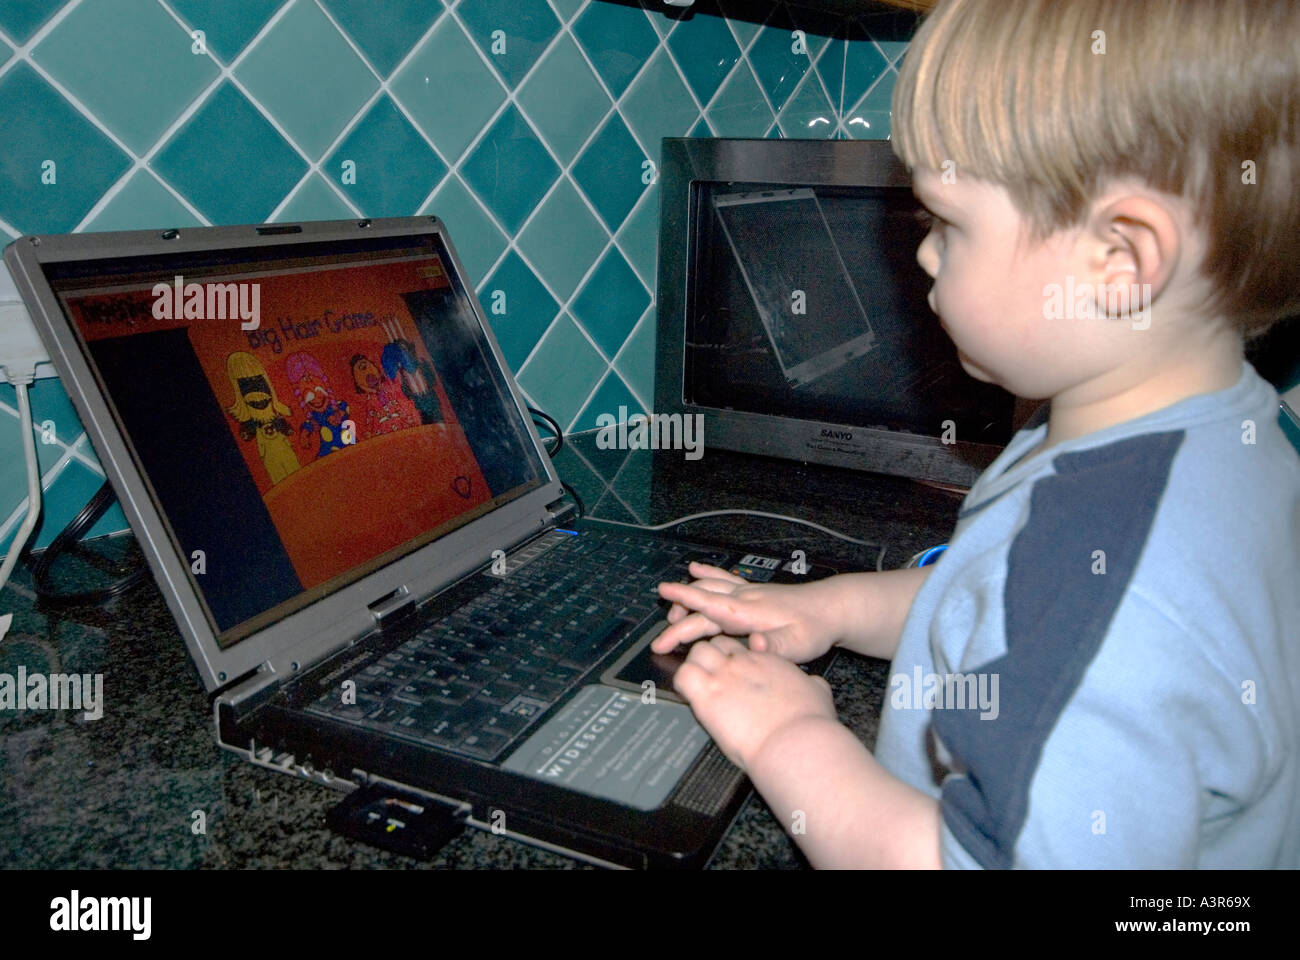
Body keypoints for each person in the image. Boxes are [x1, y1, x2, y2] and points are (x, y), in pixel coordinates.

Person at [653, 0, 1300, 868]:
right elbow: (988, 603)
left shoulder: (1108, 586)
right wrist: (833, 607)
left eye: (948, 223)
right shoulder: (1212, 436)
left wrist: (789, 737)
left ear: (1120, 261)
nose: (922, 255)